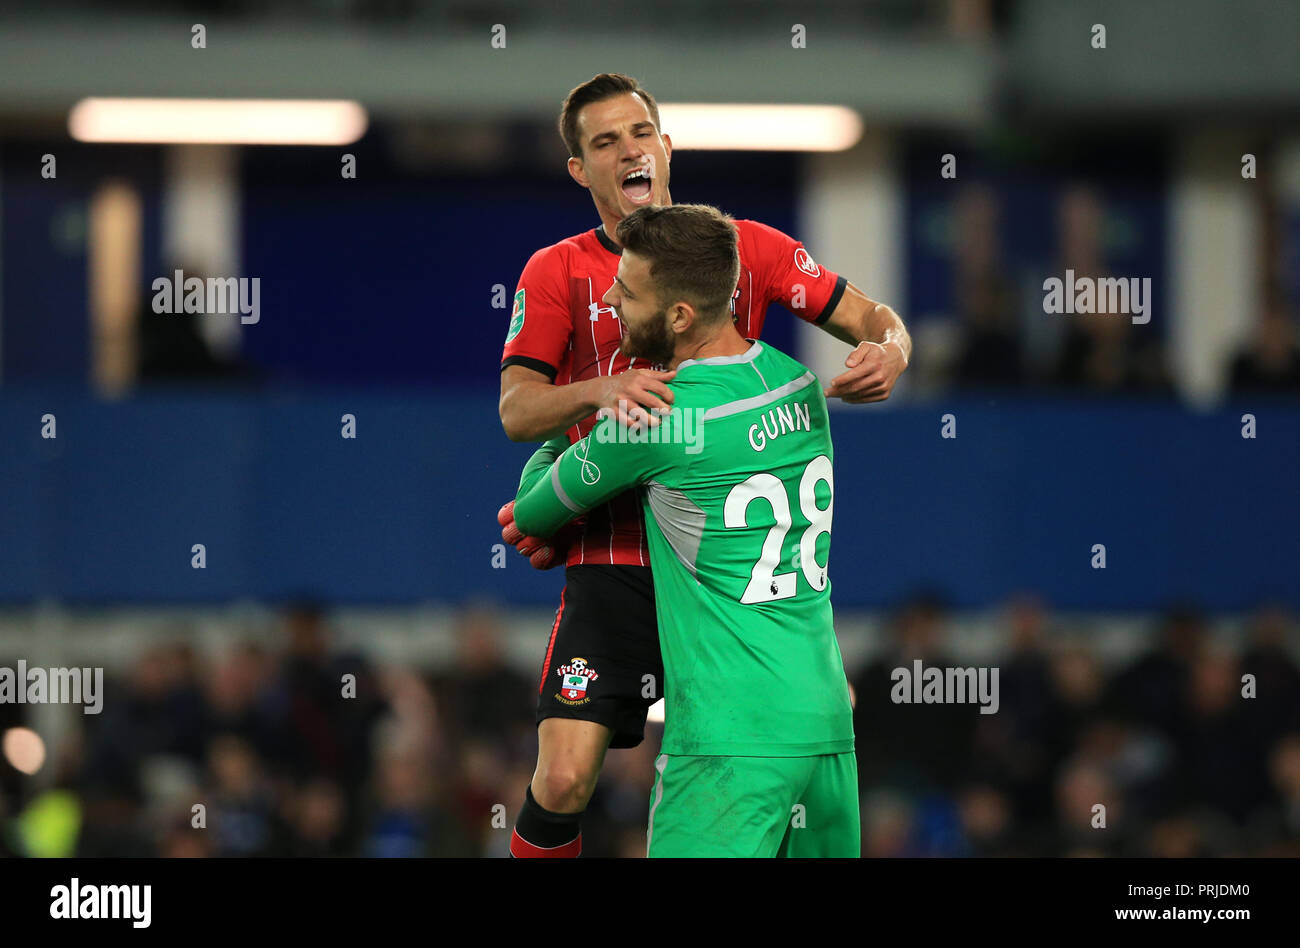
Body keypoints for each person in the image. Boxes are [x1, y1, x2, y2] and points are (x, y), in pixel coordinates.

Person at [498, 73, 907, 857]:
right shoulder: (554, 271)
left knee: (736, 751)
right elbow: (518, 410)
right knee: (561, 780)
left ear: (666, 144)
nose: (629, 150)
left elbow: (874, 320)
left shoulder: (740, 249)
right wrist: (602, 390)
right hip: (615, 562)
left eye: (640, 132)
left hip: (714, 556)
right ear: (580, 169)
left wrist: (892, 351)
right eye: (605, 142)